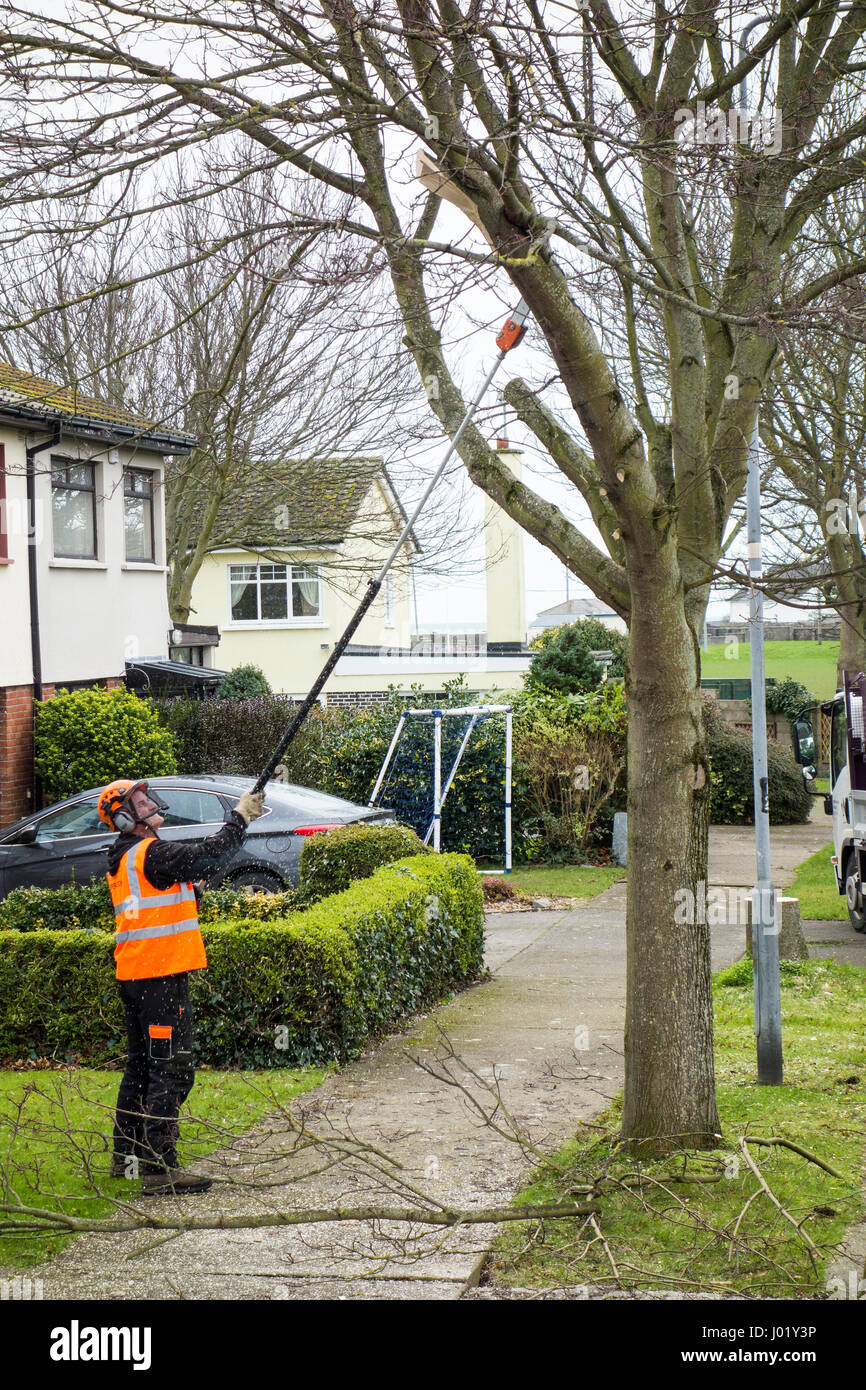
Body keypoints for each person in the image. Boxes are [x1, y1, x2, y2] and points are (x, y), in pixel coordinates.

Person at [98, 778, 265, 1196]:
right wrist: (239, 818)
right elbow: (208, 857)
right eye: (139, 802)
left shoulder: (130, 857)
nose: (150, 804)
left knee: (141, 1067)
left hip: (139, 975)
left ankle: (129, 1155)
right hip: (159, 978)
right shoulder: (148, 852)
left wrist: (194, 886)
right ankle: (157, 1167)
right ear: (122, 818)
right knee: (171, 1069)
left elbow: (181, 886)